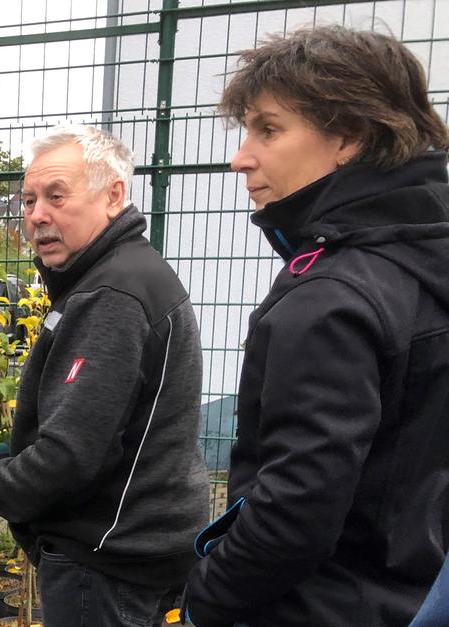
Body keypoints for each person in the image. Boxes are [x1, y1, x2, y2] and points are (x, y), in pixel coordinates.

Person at [182, 26, 449, 626]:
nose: (240, 156)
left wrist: (206, 600)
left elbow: (296, 509)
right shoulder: (424, 265)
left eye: (268, 129)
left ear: (349, 136)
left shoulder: (332, 296)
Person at [0, 124, 210, 625]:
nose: (37, 215)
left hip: (106, 560)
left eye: (57, 196)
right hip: (136, 546)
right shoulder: (120, 276)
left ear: (113, 195)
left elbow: (70, 453)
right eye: (30, 199)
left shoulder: (111, 296)